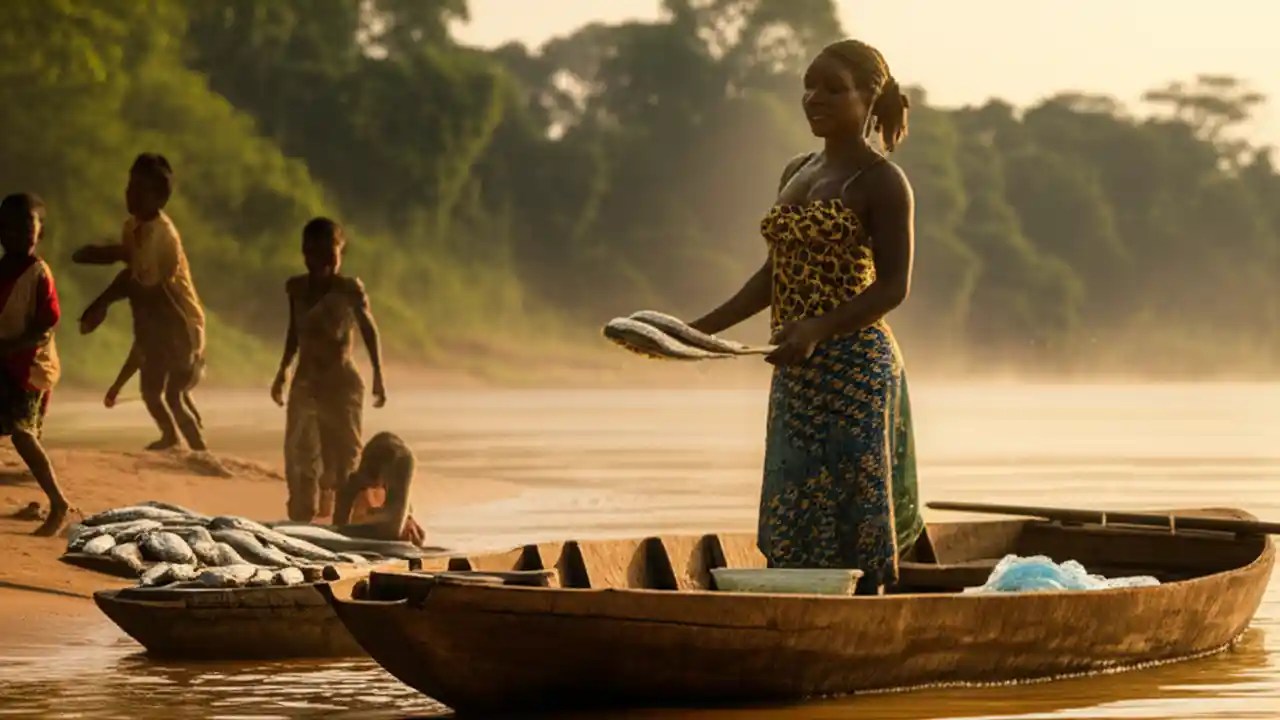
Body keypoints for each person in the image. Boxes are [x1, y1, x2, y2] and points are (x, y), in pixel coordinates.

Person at [690, 39, 924, 595]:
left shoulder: (883, 183)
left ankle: (866, 613)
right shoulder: (798, 170)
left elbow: (894, 287)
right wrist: (701, 330)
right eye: (809, 85)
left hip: (854, 368)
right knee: (794, 495)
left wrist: (818, 329)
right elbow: (776, 275)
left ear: (870, 99)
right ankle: (796, 607)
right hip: (797, 367)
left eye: (833, 88)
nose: (814, 97)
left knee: (853, 508)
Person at [74, 153, 208, 452]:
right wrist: (105, 258)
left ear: (159, 197)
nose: (130, 194)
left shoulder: (162, 234)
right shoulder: (132, 226)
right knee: (150, 392)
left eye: (139, 189)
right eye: (129, 186)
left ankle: (202, 453)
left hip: (179, 320)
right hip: (155, 319)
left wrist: (100, 301)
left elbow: (138, 283)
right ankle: (171, 437)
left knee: (173, 394)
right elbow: (130, 262)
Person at [272, 217, 386, 523]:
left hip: (341, 382)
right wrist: (283, 370)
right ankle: (302, 513)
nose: (321, 262)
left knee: (345, 456)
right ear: (304, 253)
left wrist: (378, 374)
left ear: (340, 253)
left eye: (329, 255)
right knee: (299, 453)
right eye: (314, 253)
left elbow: (368, 329)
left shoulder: (348, 290)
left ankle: (343, 515)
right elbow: (293, 332)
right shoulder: (297, 289)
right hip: (306, 380)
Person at [0, 193, 71, 536]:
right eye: (9, 226)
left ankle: (58, 502)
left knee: (22, 433)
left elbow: (45, 328)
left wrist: (12, 346)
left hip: (29, 367)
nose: (16, 233)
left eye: (25, 226)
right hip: (4, 364)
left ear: (39, 233)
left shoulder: (38, 274)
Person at [332, 431, 425, 546]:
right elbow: (339, 524)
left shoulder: (402, 464)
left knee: (398, 530)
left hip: (399, 459)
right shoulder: (359, 478)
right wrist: (338, 530)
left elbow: (392, 529)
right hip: (377, 461)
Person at [103, 340, 203, 429]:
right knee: (173, 395)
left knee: (154, 395)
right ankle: (192, 439)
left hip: (181, 362)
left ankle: (175, 438)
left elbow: (134, 359)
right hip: (191, 363)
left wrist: (115, 388)